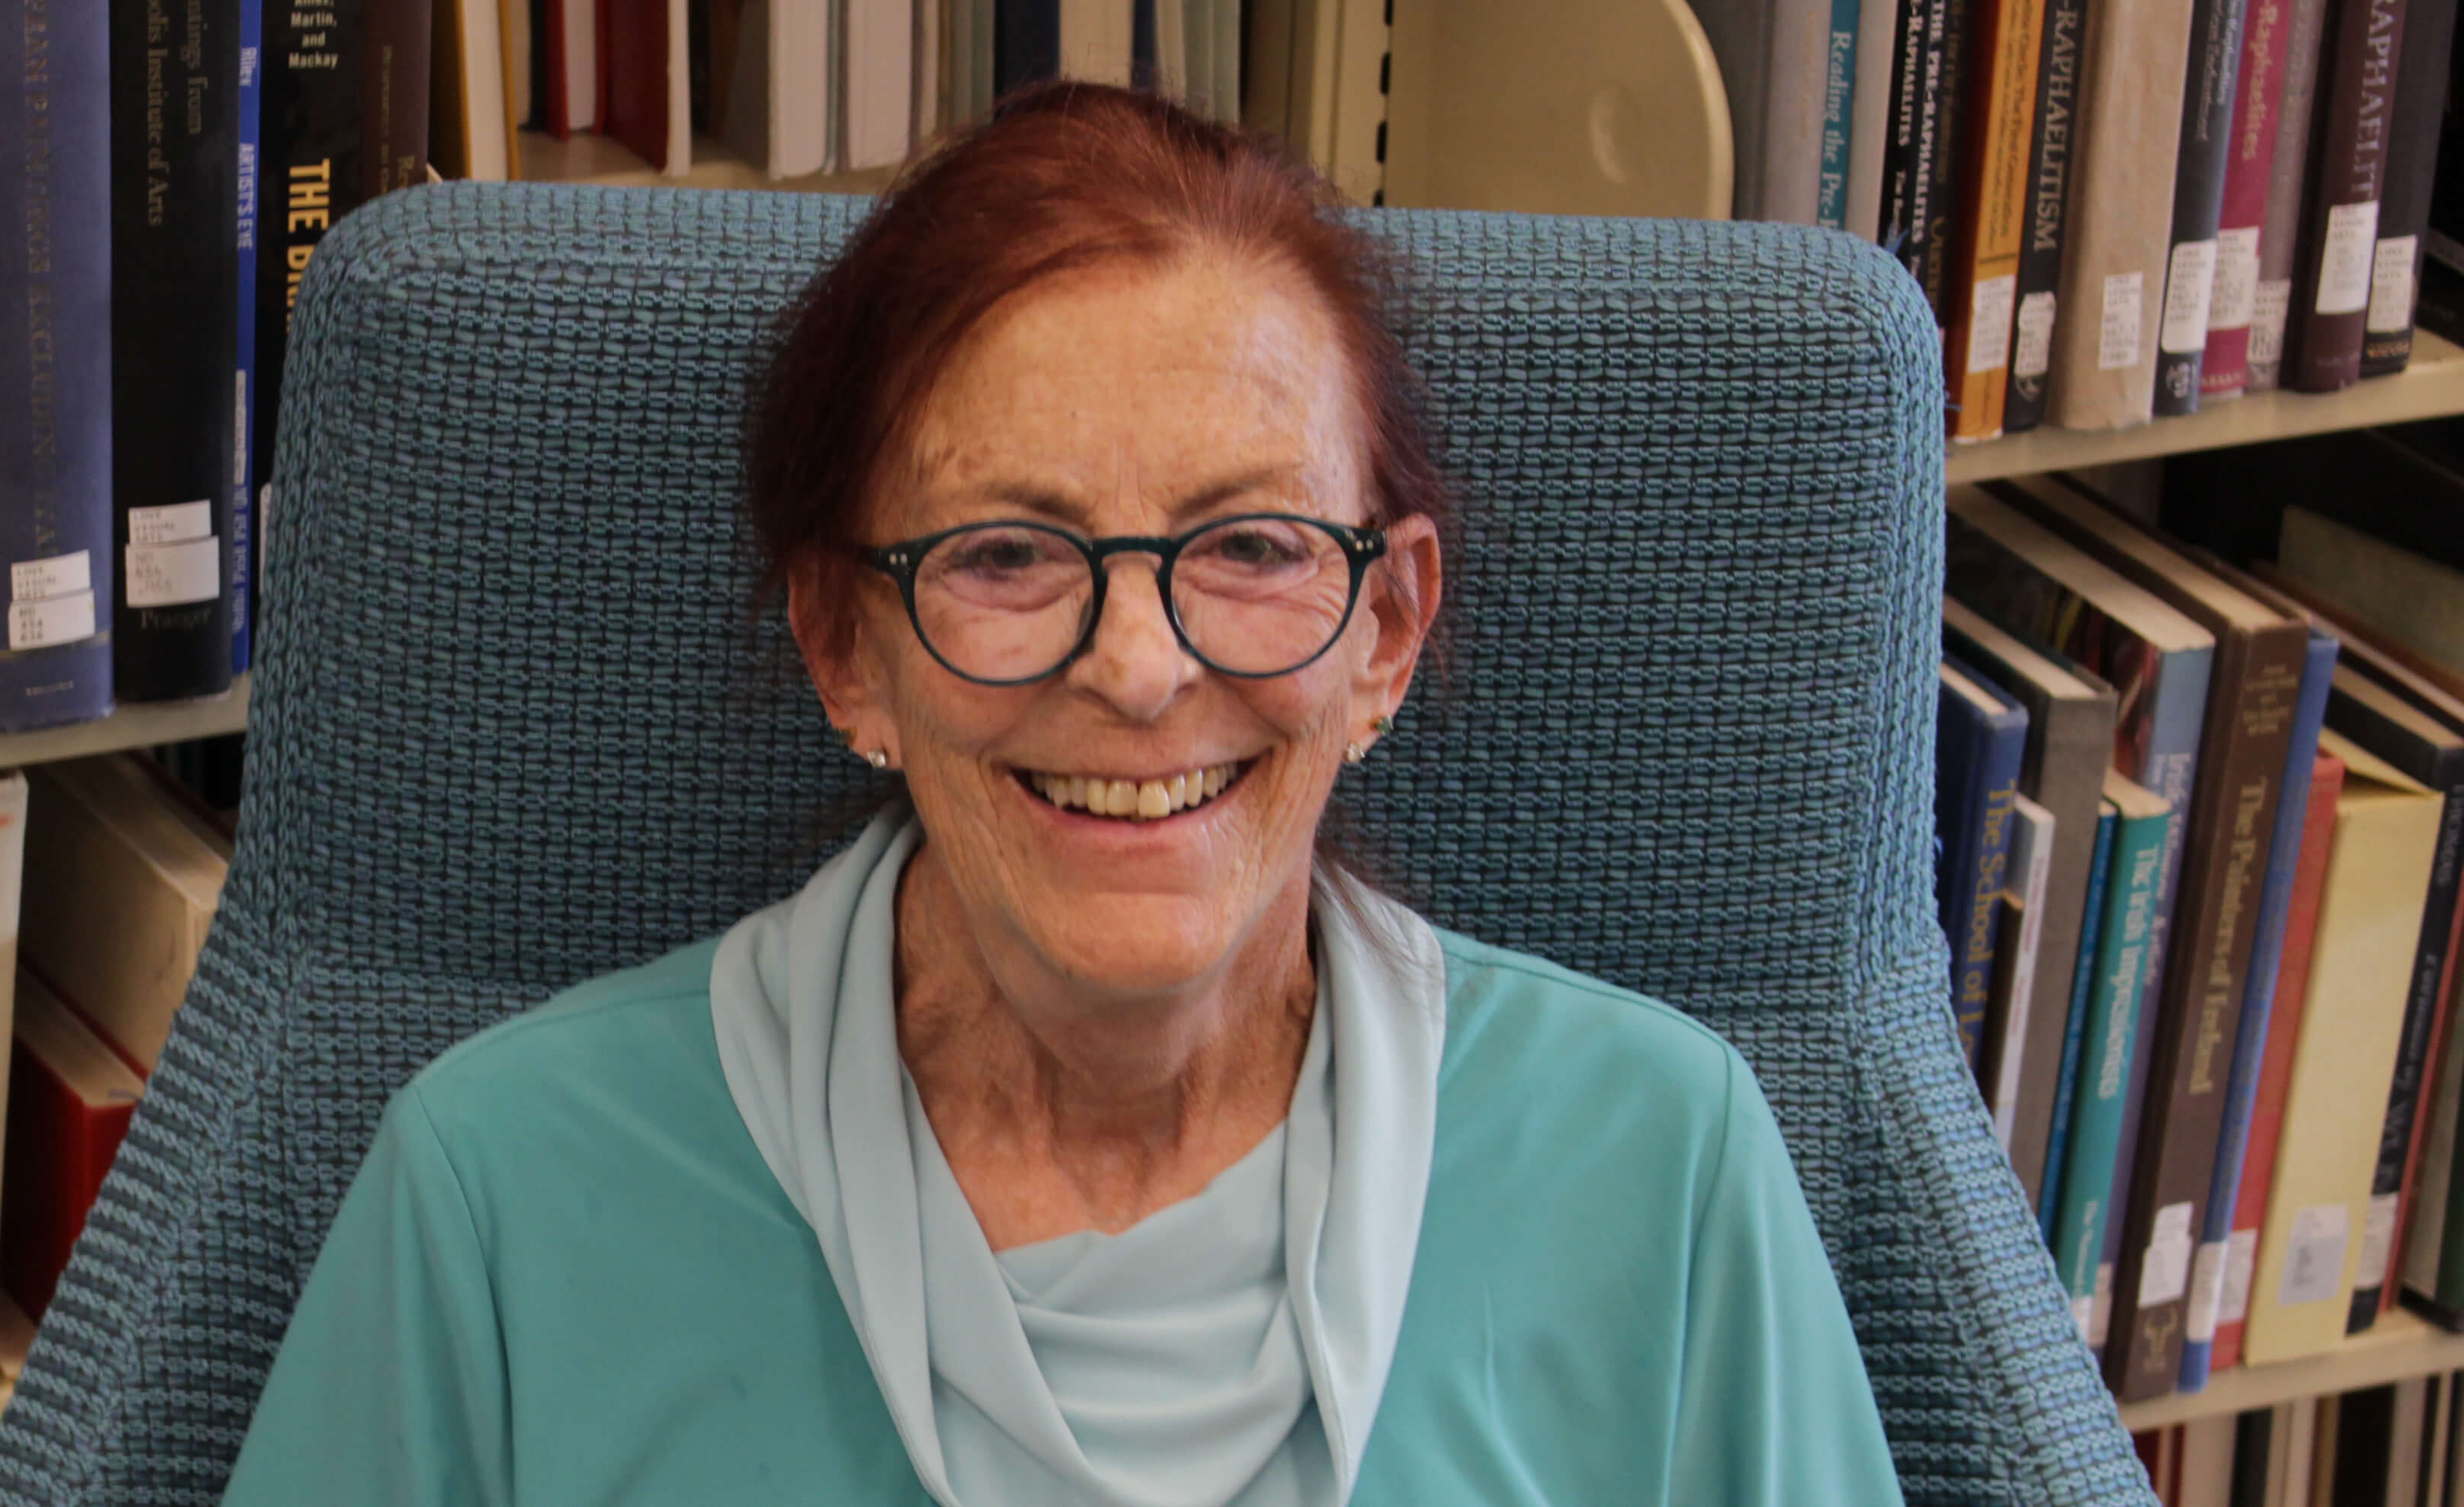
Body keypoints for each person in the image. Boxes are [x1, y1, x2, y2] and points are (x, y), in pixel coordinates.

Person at [221, 83, 1904, 1507]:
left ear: (1386, 631)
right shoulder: (498, 1197)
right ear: (845, 644)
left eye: (1249, 545)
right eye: (1009, 554)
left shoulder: (1668, 1174)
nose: (1140, 668)